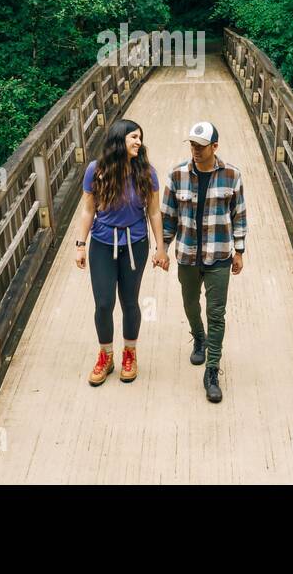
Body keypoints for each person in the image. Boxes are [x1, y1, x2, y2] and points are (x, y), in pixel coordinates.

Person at [74, 119, 171, 385]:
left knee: (130, 302)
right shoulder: (95, 170)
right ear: (119, 139)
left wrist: (160, 248)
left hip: (135, 244)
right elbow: (88, 210)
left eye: (141, 137)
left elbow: (153, 212)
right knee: (104, 303)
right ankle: (106, 356)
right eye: (134, 137)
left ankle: (130, 353)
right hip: (102, 245)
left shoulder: (146, 172)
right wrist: (81, 246)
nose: (139, 142)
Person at [160, 121, 247, 403]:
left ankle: (212, 369)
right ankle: (198, 336)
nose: (196, 150)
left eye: (201, 145)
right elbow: (167, 216)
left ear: (214, 147)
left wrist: (240, 251)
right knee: (190, 304)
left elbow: (239, 215)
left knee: (216, 313)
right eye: (192, 145)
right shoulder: (176, 175)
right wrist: (162, 248)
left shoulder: (232, 175)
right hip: (187, 254)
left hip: (219, 254)